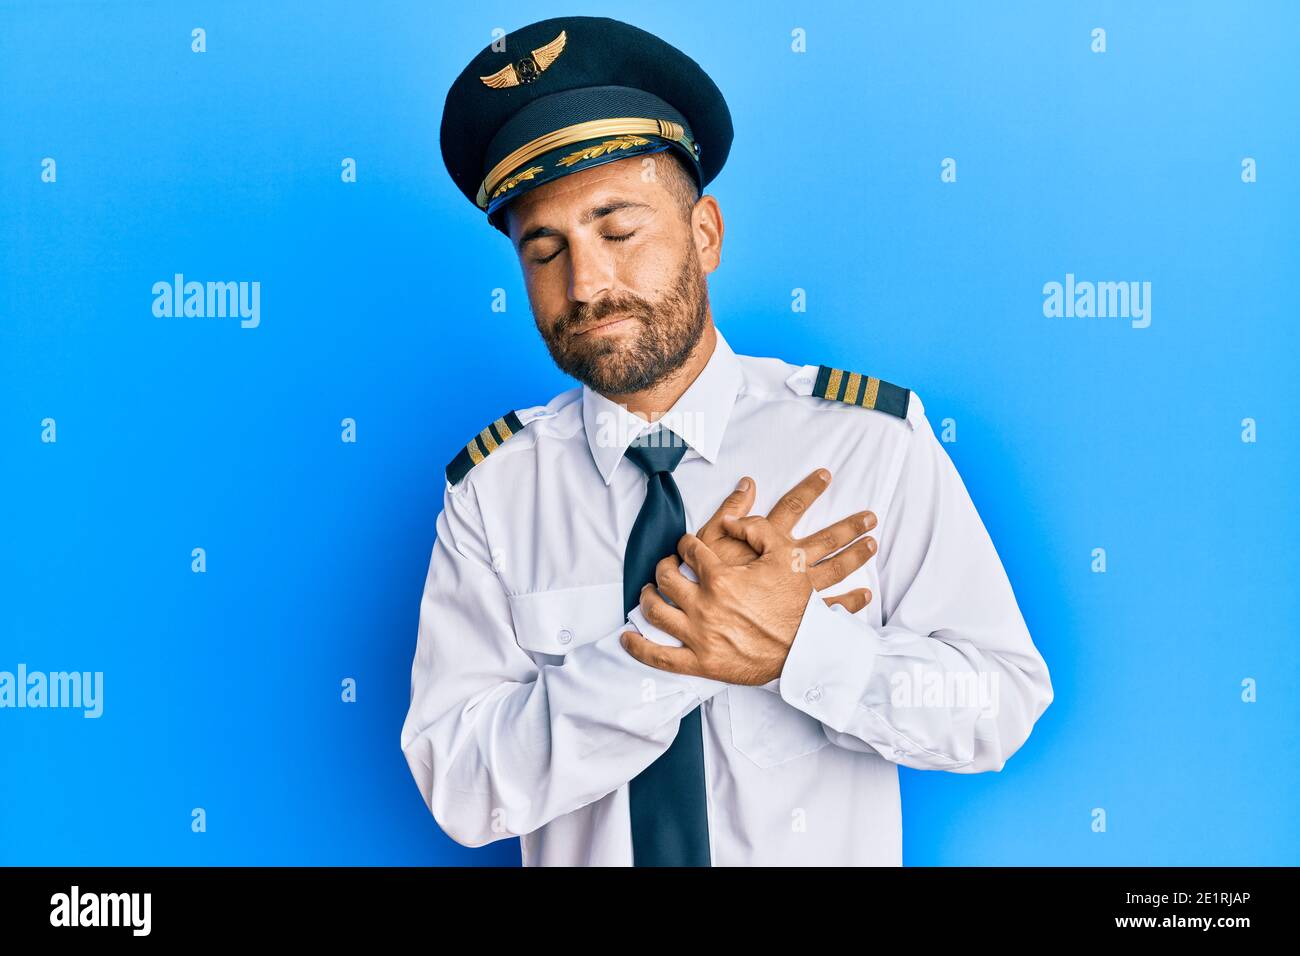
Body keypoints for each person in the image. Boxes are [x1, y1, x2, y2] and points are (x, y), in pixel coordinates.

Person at [401, 14, 1053, 866]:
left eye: (619, 230)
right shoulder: (493, 493)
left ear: (704, 234)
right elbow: (461, 785)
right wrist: (673, 650)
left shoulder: (870, 442)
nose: (588, 284)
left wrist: (802, 648)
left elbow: (996, 704)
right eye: (545, 249)